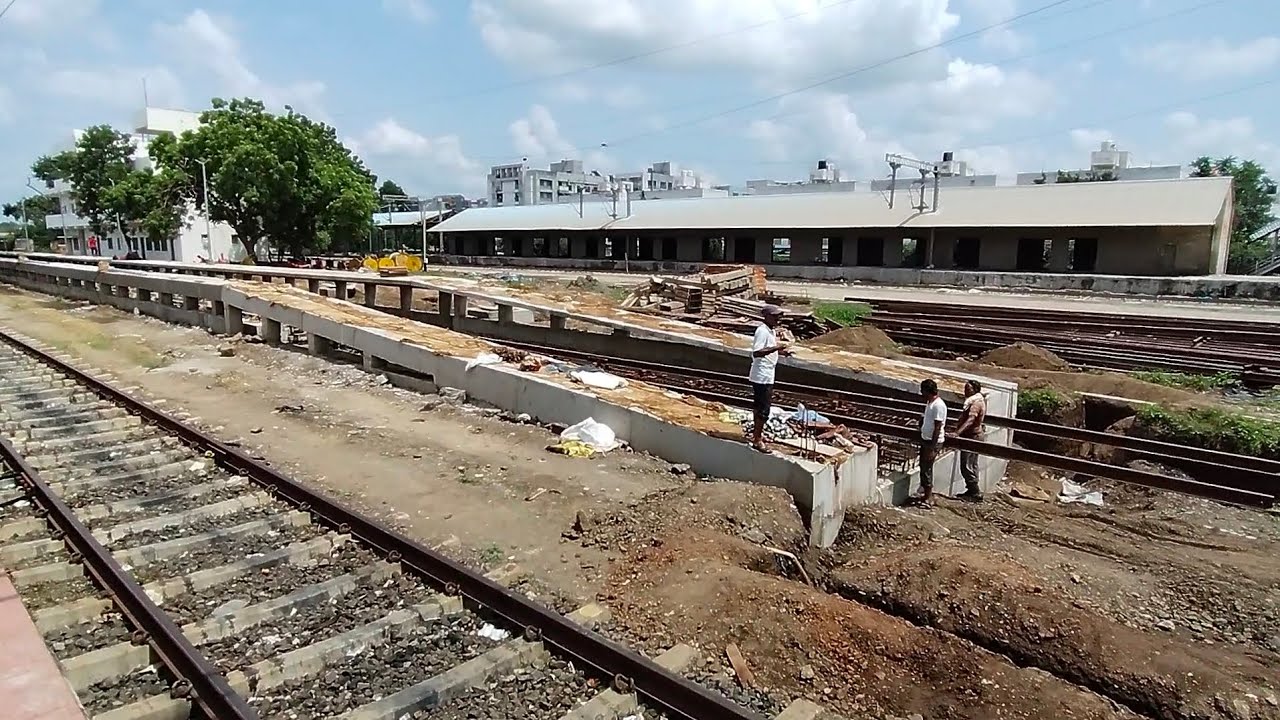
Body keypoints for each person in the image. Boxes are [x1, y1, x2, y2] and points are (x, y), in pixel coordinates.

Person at [749, 305, 791, 451]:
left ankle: (757, 434)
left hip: (767, 373)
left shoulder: (770, 331)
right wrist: (777, 348)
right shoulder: (762, 331)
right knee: (763, 409)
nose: (778, 319)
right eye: (775, 316)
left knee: (760, 407)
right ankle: (757, 439)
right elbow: (757, 352)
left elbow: (768, 350)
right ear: (766, 317)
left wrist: (780, 352)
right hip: (762, 375)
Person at [914, 378, 947, 505]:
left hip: (932, 442)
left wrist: (932, 448)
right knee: (923, 466)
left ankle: (928, 496)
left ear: (928, 391)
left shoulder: (938, 405)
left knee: (927, 467)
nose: (921, 393)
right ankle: (925, 493)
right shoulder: (930, 403)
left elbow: (938, 426)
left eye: (923, 391)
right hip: (926, 439)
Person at [954, 379, 987, 501]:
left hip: (972, 437)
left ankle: (975, 492)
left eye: (968, 389)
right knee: (971, 463)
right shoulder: (974, 401)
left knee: (967, 465)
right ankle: (972, 490)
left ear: (975, 390)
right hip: (972, 436)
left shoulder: (975, 403)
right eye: (965, 388)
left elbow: (970, 420)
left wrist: (957, 433)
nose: (966, 391)